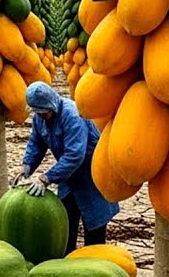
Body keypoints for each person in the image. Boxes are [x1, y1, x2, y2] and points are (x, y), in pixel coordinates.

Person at [13, 81, 118, 252]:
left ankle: (96, 267)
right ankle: (68, 263)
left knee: (94, 226)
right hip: (68, 176)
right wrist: (26, 166)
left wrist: (46, 178)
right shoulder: (40, 118)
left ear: (52, 105)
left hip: (91, 175)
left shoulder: (72, 115)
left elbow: (75, 155)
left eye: (43, 112)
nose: (40, 116)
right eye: (37, 112)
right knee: (66, 222)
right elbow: (36, 143)